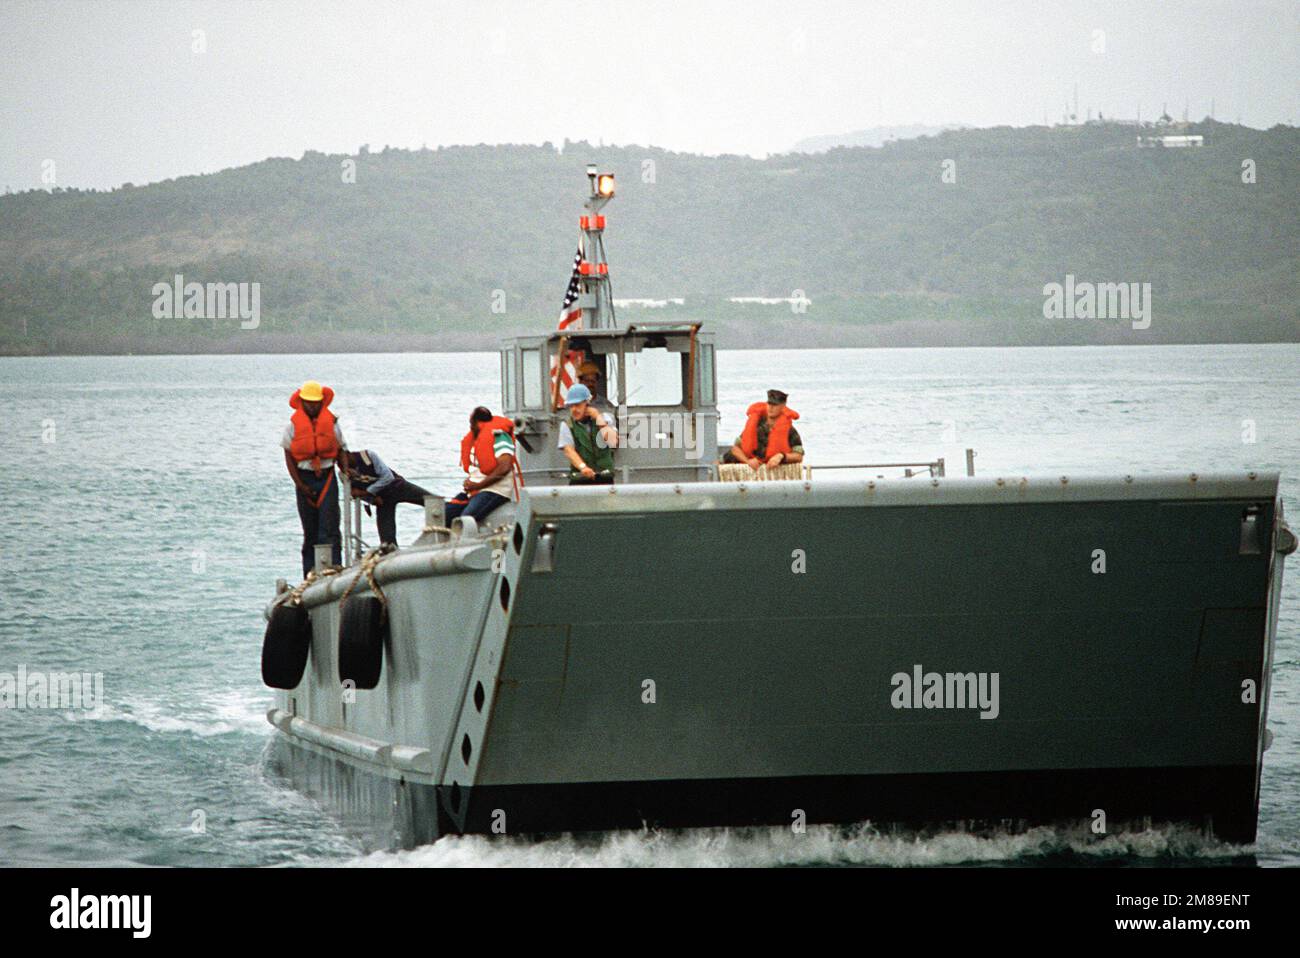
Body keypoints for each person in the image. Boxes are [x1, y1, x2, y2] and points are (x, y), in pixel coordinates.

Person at [282, 380, 345, 576]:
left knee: (330, 525)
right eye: (308, 402)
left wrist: (347, 470)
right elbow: (289, 457)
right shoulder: (292, 426)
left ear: (321, 402)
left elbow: (341, 448)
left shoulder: (332, 424)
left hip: (326, 477)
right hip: (304, 478)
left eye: (315, 402)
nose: (312, 405)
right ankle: (309, 572)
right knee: (310, 529)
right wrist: (300, 485)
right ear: (301, 401)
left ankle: (335, 565)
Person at [338, 449, 432, 549]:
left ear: (348, 454)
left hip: (398, 487)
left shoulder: (368, 455)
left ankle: (447, 519)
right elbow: (355, 493)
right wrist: (371, 500)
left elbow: (388, 477)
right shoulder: (343, 475)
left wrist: (367, 492)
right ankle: (392, 552)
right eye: (338, 463)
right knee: (387, 539)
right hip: (382, 500)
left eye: (342, 461)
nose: (343, 467)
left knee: (431, 500)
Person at [445, 407, 519, 526]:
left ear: (477, 423)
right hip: (475, 492)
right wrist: (470, 483)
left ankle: (465, 543)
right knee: (445, 514)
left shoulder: (500, 437)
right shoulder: (479, 440)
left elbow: (504, 467)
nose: (470, 428)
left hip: (494, 491)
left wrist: (478, 485)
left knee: (466, 520)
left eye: (471, 424)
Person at [724, 389, 804, 470]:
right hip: (746, 466)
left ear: (783, 406)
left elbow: (799, 456)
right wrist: (748, 461)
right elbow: (735, 449)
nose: (771, 407)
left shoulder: (790, 430)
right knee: (718, 461)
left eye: (775, 405)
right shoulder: (755, 425)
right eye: (769, 404)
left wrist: (781, 456)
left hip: (771, 471)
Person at [559, 384, 618, 484]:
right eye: (571, 406)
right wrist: (583, 467)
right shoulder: (567, 425)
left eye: (577, 405)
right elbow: (569, 450)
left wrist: (599, 419)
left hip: (604, 478)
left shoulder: (605, 419)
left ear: (587, 404)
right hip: (580, 479)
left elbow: (613, 442)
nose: (574, 409)